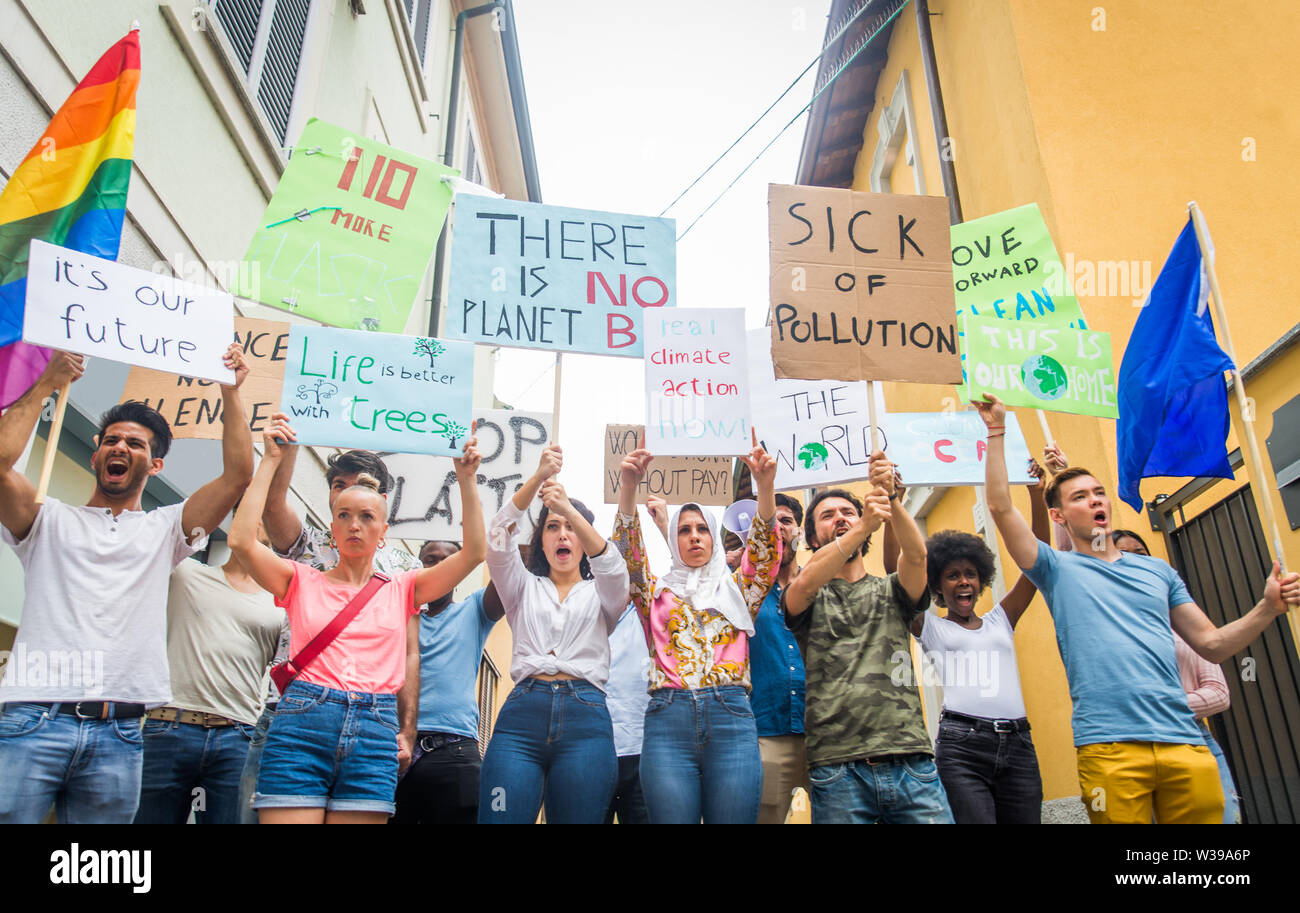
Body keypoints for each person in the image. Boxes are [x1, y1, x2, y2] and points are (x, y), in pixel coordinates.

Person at [974, 392, 1299, 823]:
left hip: (1186, 744)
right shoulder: (1054, 568)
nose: (1095, 501)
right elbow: (998, 506)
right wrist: (997, 429)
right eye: (1080, 497)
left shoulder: (1159, 572)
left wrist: (1267, 607)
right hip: (1109, 748)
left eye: (1099, 493)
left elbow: (1214, 646)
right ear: (1058, 516)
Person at [0, 346, 252, 824]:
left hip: (119, 731)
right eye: (112, 439)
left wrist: (230, 392)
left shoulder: (165, 531)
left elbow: (238, 474)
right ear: (96, 453)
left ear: (155, 466)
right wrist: (45, 382)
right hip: (32, 718)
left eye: (136, 444)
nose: (121, 447)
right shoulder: (45, 519)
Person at [229, 428, 484, 823]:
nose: (354, 525)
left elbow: (473, 555)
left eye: (367, 517)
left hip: (374, 727)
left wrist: (466, 479)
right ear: (331, 526)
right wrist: (270, 461)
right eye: (343, 516)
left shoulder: (404, 586)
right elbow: (242, 541)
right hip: (301, 721)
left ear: (383, 532)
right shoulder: (299, 578)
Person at [613, 437, 781, 824]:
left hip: (732, 722)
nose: (693, 536)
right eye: (684, 529)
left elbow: (765, 554)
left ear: (713, 538)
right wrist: (628, 488)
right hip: (667, 723)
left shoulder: (740, 590)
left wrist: (765, 486)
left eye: (702, 529)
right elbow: (627, 554)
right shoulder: (652, 592)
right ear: (673, 539)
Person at [782, 451, 952, 824]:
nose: (840, 518)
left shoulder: (893, 590)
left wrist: (890, 497)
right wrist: (862, 527)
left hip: (911, 762)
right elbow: (805, 583)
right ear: (811, 536)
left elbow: (917, 556)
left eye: (848, 512)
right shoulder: (807, 592)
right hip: (837, 767)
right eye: (827, 516)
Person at [478, 443, 630, 824]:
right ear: (542, 541)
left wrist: (566, 510)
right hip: (520, 722)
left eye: (570, 528)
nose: (562, 534)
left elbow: (613, 567)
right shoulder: (522, 586)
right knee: (499, 816)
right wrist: (538, 479)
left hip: (586, 722)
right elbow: (497, 537)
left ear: (582, 538)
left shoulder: (603, 592)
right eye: (552, 527)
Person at [903, 459, 1052, 824]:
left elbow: (1038, 560)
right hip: (961, 747)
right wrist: (894, 504)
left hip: (1019, 743)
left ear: (982, 579)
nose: (964, 581)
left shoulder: (1001, 619)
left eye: (971, 574)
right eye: (953, 576)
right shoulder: (932, 628)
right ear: (937, 586)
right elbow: (901, 572)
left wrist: (1037, 495)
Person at [134, 516, 282, 824]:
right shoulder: (186, 574)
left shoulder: (279, 606)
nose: (255, 525)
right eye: (249, 517)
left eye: (265, 520)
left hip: (238, 736)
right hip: (169, 726)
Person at [1111, 529, 1241, 824]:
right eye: (1123, 555)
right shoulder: (1108, 627)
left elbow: (1219, 693)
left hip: (1193, 738)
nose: (1135, 561)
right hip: (1133, 749)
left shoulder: (1180, 625)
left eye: (1141, 554)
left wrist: (1162, 705)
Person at [391, 539, 502, 825]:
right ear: (417, 567)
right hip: (392, 748)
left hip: (454, 751)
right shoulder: (393, 616)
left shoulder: (474, 610)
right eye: (429, 559)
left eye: (447, 561)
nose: (438, 567)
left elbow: (507, 574)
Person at [745, 492, 810, 824]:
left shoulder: (821, 586)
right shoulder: (742, 592)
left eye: (787, 521)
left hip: (824, 734)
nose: (779, 529)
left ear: (800, 531)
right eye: (771, 522)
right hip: (766, 732)